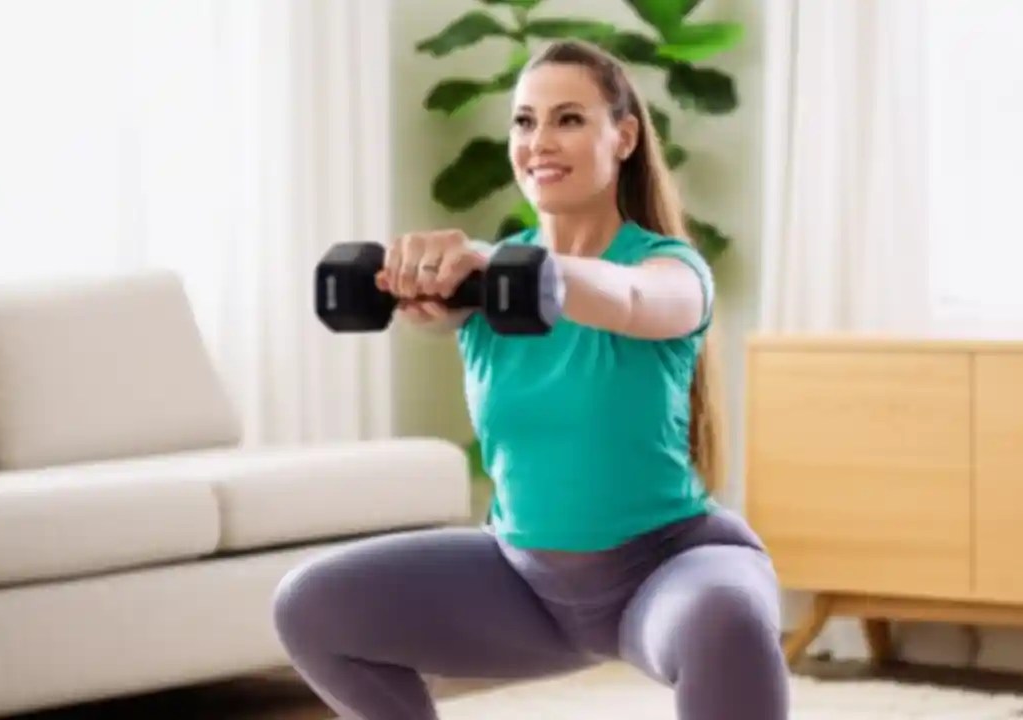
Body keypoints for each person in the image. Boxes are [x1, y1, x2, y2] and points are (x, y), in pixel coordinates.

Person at [272, 39, 789, 720]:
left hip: (664, 572)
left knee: (727, 616)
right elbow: (432, 311)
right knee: (311, 607)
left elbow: (630, 299)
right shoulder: (487, 291)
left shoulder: (671, 269)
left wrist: (497, 263)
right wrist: (410, 281)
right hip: (523, 585)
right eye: (524, 121)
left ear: (624, 136)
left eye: (569, 119)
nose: (539, 140)